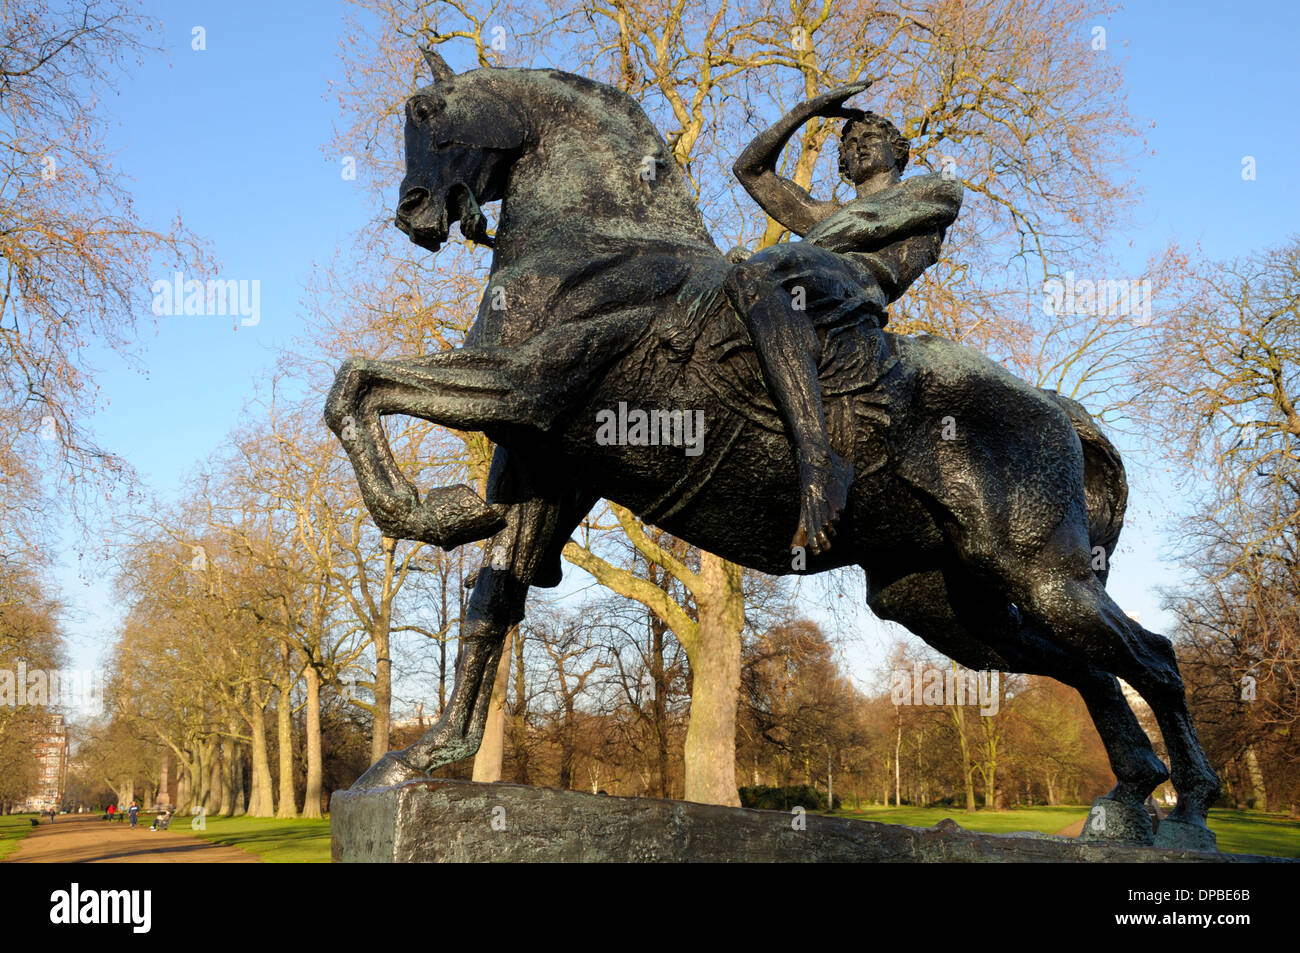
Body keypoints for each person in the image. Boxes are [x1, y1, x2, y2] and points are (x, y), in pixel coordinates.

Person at [726, 79, 963, 554]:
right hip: (815, 275)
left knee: (761, 269)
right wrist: (807, 110)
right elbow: (749, 170)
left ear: (897, 152)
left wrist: (777, 256)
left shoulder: (933, 189)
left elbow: (869, 222)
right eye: (848, 143)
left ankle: (819, 460)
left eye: (868, 139)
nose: (855, 147)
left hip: (858, 290)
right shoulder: (827, 218)